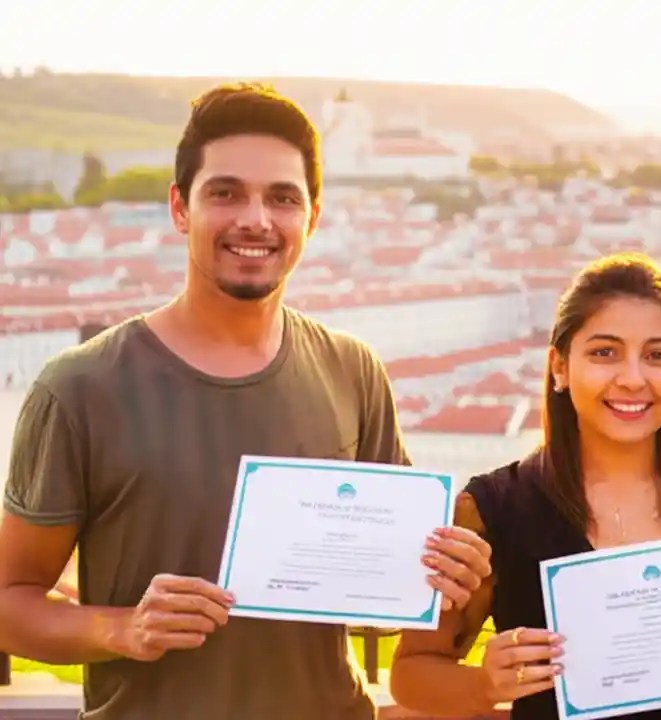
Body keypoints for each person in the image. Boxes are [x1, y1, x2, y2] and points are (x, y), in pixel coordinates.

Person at [0, 82, 492, 720]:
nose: (255, 219)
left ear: (312, 218)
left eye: (282, 198)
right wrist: (121, 630)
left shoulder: (353, 369)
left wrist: (450, 573)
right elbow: (10, 601)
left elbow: (386, 591)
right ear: (181, 207)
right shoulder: (79, 387)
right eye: (225, 192)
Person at [388, 252, 661, 719]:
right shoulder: (494, 507)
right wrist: (485, 684)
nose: (632, 378)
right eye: (604, 352)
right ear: (559, 366)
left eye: (657, 355)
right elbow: (411, 674)